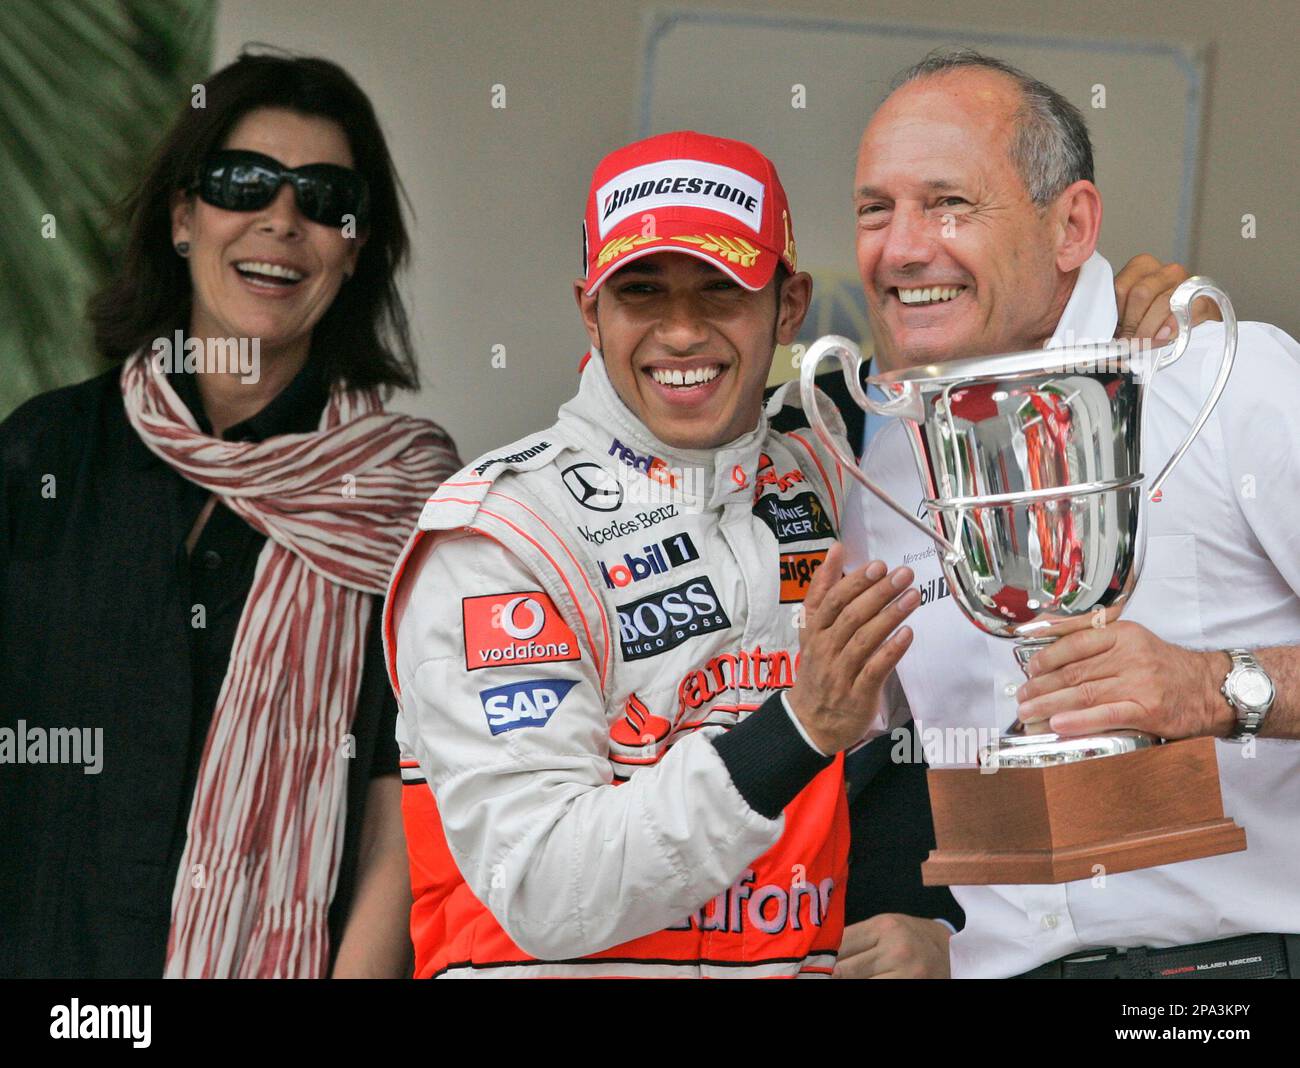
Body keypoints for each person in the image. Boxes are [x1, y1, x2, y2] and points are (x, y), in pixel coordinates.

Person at [383, 130, 926, 978]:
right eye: (641, 293)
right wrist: (796, 729)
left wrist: (919, 913)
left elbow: (926, 718)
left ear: (789, 306)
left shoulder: (836, 466)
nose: (680, 332)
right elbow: (542, 885)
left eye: (721, 290)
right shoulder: (502, 534)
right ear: (589, 309)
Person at [839, 48, 1300, 979]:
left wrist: (1217, 687)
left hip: (1229, 982)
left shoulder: (1222, 376)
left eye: (949, 203)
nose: (903, 246)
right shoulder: (885, 451)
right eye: (875, 210)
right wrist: (947, 937)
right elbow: (904, 745)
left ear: (1072, 224)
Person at [0, 51, 459, 978]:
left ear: (355, 246)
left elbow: (400, 811)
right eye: (243, 184)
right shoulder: (41, 458)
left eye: (325, 199)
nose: (282, 220)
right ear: (183, 217)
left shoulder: (408, 500)